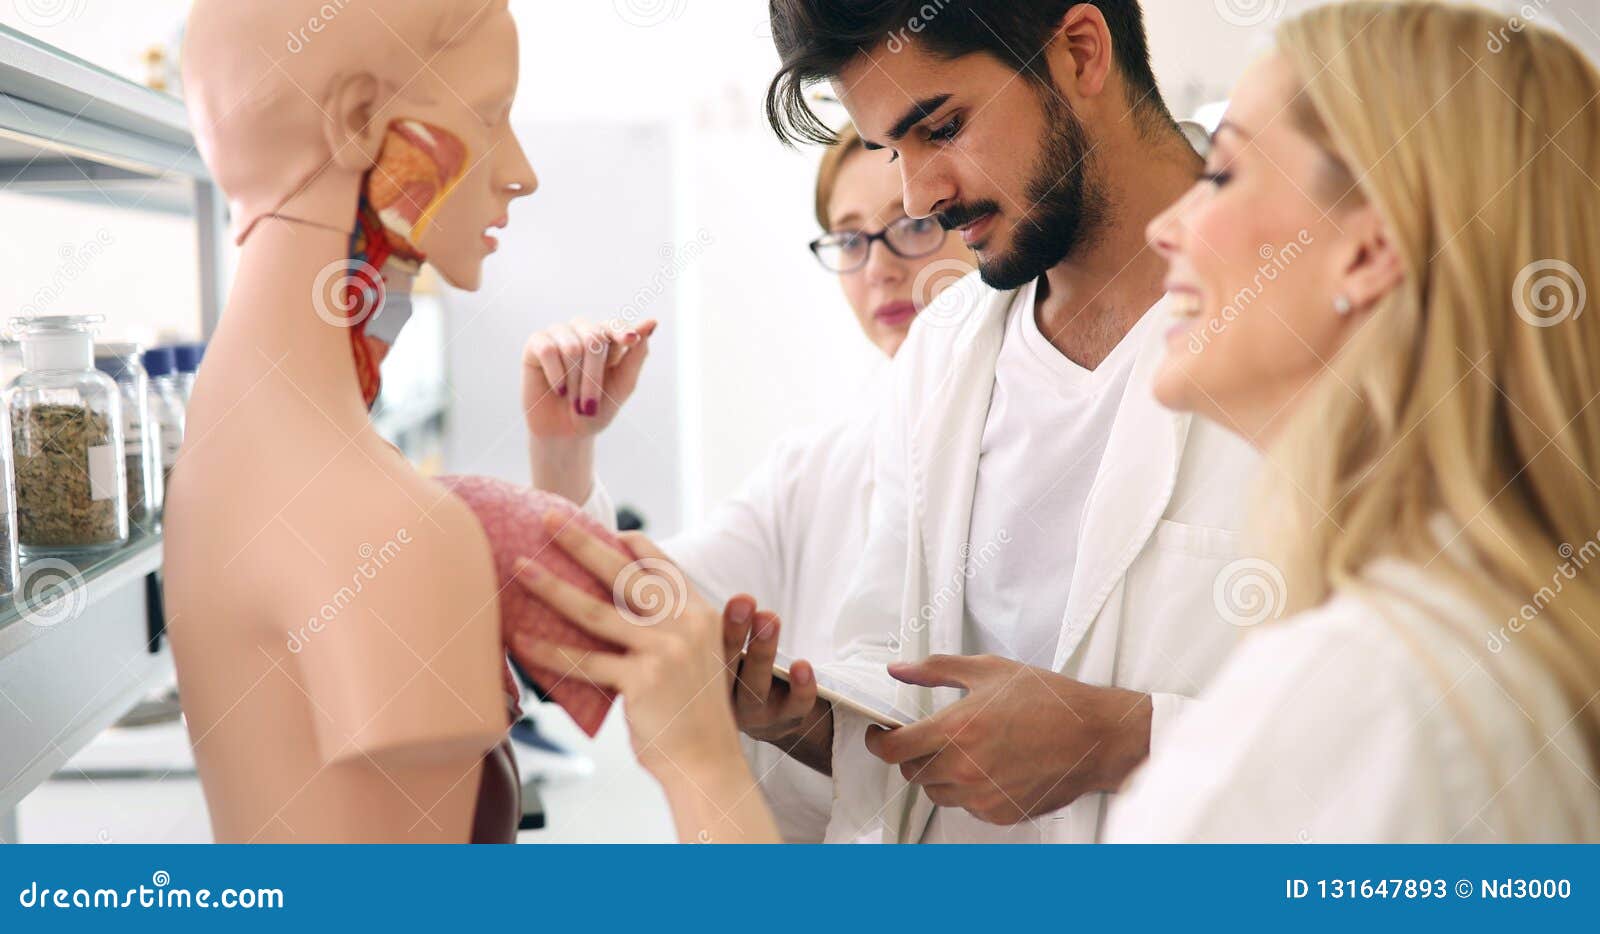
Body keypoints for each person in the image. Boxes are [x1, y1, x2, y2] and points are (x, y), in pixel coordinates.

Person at [735, 0, 1259, 843]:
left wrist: (1120, 740)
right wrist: (804, 720)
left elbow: (1447, 712)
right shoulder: (942, 356)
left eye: (940, 128)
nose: (919, 194)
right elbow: (899, 670)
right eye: (890, 151)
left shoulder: (1320, 315)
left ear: (1081, 53)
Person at [1108, 1, 1600, 842]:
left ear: (1370, 251)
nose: (1164, 227)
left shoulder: (1361, 694)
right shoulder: (1515, 647)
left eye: (1221, 175)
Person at [518, 125, 974, 841]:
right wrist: (565, 445)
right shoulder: (813, 469)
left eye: (913, 226)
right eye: (850, 239)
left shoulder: (1038, 441)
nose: (879, 268)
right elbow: (625, 608)